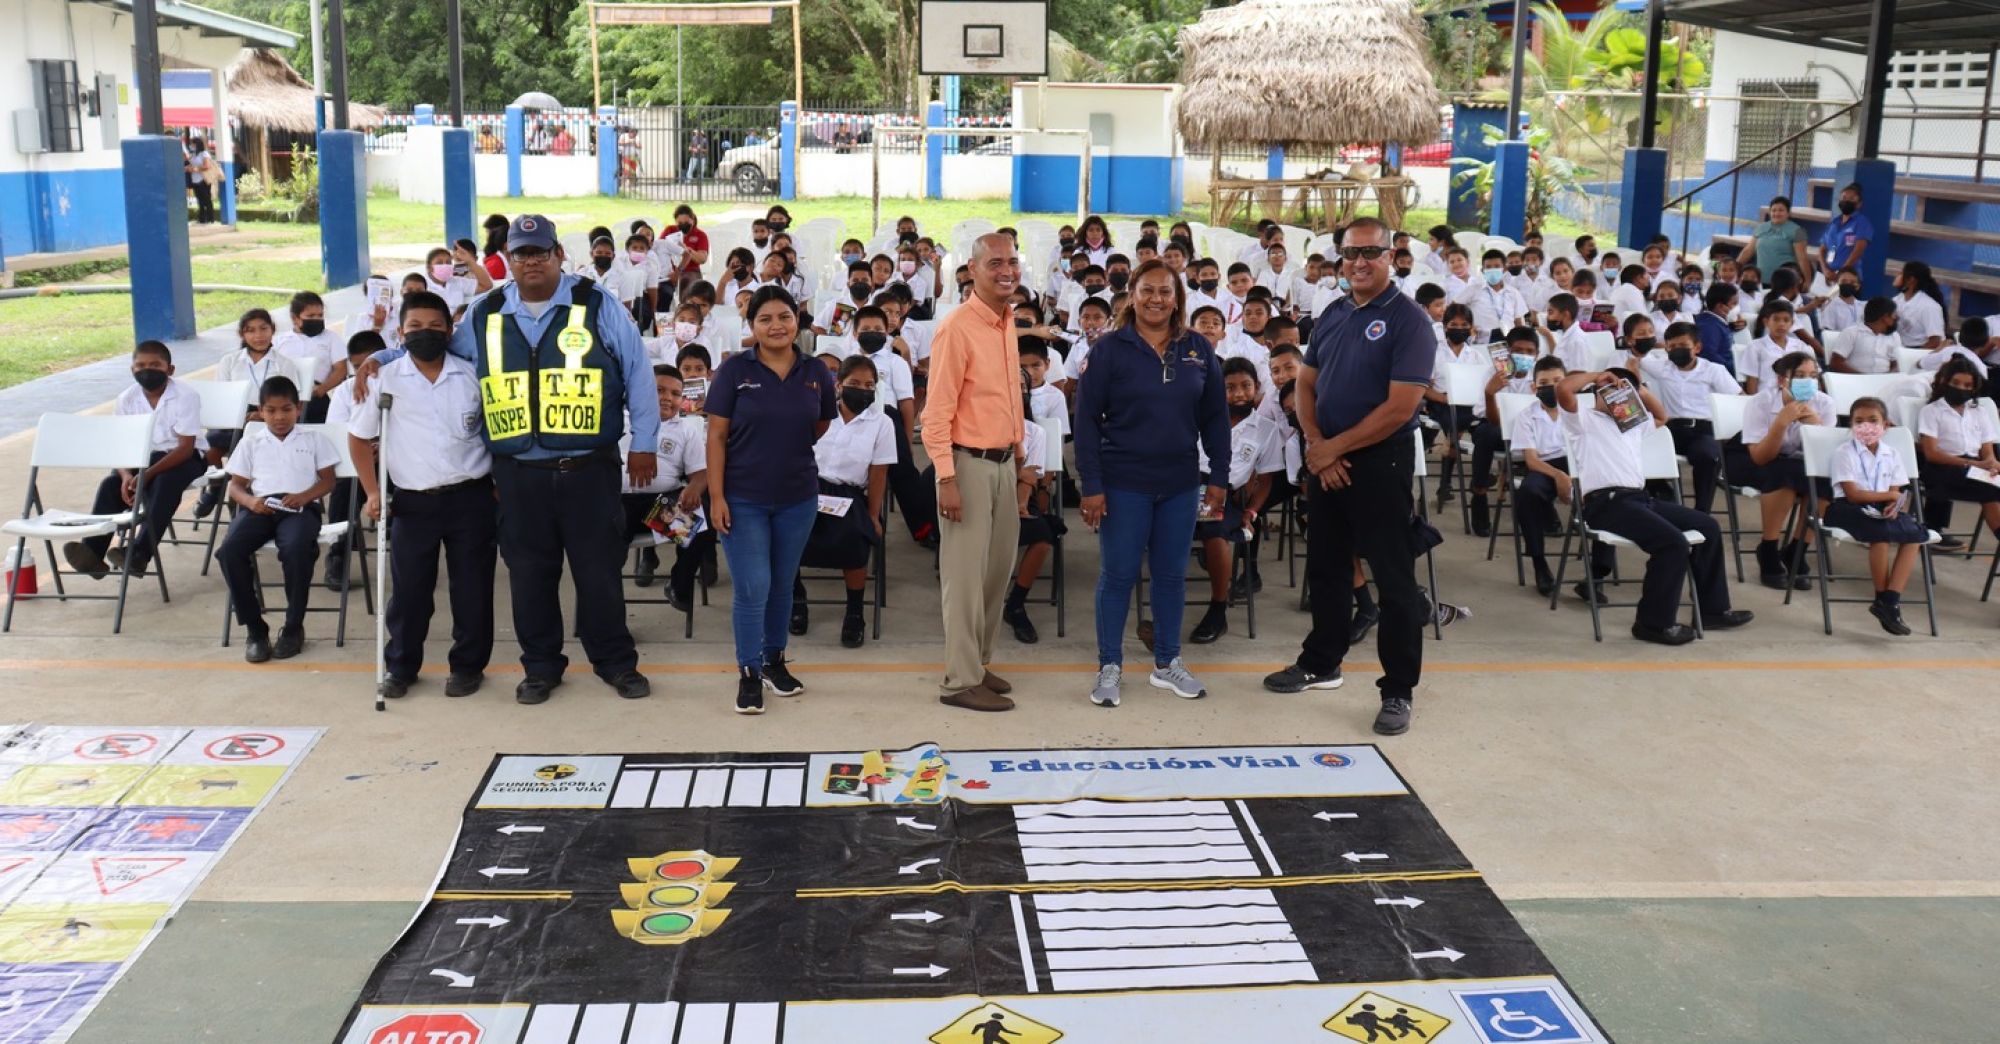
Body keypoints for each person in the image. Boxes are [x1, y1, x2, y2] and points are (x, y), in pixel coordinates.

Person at [354, 214, 656, 705]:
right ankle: (540, 668)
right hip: (519, 474)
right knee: (530, 576)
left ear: (559, 254)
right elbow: (439, 351)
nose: (531, 261)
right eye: (521, 253)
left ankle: (616, 663)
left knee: (598, 572)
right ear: (509, 259)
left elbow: (638, 373)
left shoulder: (596, 304)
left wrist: (644, 442)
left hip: (589, 468)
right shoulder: (485, 312)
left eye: (540, 252)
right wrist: (385, 358)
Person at [1264, 217, 1429, 736]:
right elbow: (1307, 385)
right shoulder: (1334, 312)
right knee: (1328, 566)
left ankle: (1398, 689)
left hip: (1381, 463)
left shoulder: (1410, 321)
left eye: (1371, 253)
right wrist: (1318, 447)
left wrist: (1333, 447)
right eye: (1351, 254)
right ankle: (1321, 661)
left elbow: (1400, 408)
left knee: (1393, 580)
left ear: (1391, 257)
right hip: (1327, 460)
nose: (1359, 262)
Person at [1074, 258, 1229, 707]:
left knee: (1170, 576)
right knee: (1118, 575)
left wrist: (1218, 476)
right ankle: (1109, 667)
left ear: (1177, 297)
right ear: (1132, 296)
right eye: (1147, 291)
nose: (1156, 299)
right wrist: (1092, 484)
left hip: (1180, 483)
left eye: (1165, 291)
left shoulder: (1198, 349)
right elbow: (1086, 422)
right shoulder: (1108, 350)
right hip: (1123, 483)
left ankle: (1167, 663)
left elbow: (1216, 418)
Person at [346, 291, 496, 700]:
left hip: (472, 497)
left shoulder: (471, 376)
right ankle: (401, 666)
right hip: (413, 502)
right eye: (415, 328)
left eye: (434, 327)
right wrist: (373, 490)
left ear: (449, 332)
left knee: (473, 589)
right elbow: (359, 440)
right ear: (400, 333)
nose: (424, 334)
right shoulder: (384, 380)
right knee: (410, 592)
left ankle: (467, 667)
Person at [706, 285, 834, 713]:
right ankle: (748, 672)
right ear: (751, 326)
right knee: (752, 586)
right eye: (765, 319)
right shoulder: (732, 372)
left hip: (798, 497)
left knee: (782, 584)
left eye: (784, 317)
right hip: (743, 499)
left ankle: (774, 662)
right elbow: (717, 436)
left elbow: (820, 425)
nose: (776, 326)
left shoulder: (816, 371)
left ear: (797, 320)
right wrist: (718, 497)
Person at [1556, 367, 1753, 644]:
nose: (1614, 395)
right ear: (1595, 394)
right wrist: (1599, 376)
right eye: (1608, 391)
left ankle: (1713, 609)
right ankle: (1653, 624)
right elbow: (1562, 390)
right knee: (1673, 544)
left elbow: (1662, 416)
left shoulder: (1632, 422)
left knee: (1707, 526)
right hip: (1606, 503)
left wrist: (1640, 390)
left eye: (1623, 392)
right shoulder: (1583, 420)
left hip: (1639, 498)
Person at [923, 233, 1032, 714]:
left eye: (1012, 261)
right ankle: (958, 680)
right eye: (995, 263)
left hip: (1004, 461)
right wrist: (946, 478)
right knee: (964, 578)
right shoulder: (957, 328)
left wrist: (1020, 445)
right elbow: (936, 413)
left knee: (994, 572)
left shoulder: (1006, 321)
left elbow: (1006, 393)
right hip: (966, 464)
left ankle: (978, 663)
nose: (1006, 270)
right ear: (972, 269)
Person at [214, 377, 338, 662]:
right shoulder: (251, 441)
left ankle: (293, 627)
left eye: (286, 409)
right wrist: (249, 502)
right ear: (261, 410)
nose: (279, 417)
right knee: (229, 552)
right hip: (259, 506)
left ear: (298, 408)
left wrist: (305, 496)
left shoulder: (313, 439)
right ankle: (256, 629)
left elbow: (328, 481)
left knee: (296, 550)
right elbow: (235, 485)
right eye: (271, 410)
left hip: (299, 508)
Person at [62, 341, 204, 582]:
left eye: (155, 365)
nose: (147, 370)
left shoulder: (185, 395)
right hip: (142, 461)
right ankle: (93, 553)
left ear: (170, 369)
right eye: (140, 365)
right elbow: (120, 446)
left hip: (184, 459)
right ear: (132, 369)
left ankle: (139, 553)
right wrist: (127, 475)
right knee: (111, 484)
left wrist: (145, 476)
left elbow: (185, 448)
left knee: (164, 482)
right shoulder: (127, 399)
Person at [790, 355, 896, 648]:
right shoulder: (818, 413)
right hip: (808, 486)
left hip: (850, 494)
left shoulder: (882, 423)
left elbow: (879, 474)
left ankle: (854, 611)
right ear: (838, 384)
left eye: (869, 385)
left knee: (855, 536)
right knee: (787, 529)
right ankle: (796, 598)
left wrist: (874, 516)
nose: (862, 389)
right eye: (855, 383)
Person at [1190, 357, 1285, 641]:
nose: (1239, 393)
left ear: (1257, 388)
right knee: (1163, 528)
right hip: (1187, 487)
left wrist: (1252, 512)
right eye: (1229, 387)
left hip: (1225, 494)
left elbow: (1266, 480)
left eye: (1246, 386)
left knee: (1215, 530)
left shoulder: (1267, 430)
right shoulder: (1199, 418)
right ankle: (1162, 611)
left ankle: (1218, 610)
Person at [1829, 397, 1928, 634]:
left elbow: (1895, 490)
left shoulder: (1892, 454)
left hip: (1882, 505)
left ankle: (1890, 600)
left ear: (1886, 425)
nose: (1866, 426)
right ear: (1851, 425)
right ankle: (1883, 598)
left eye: (1873, 420)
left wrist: (1892, 503)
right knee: (1880, 534)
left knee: (1915, 535)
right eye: (1859, 421)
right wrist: (1890, 497)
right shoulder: (1844, 452)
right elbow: (1852, 495)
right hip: (1848, 508)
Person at [1743, 350, 1836, 588]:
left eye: (1813, 375)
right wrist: (1782, 422)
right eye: (1801, 375)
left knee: (1825, 483)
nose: (1809, 381)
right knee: (1783, 477)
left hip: (1801, 463)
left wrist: (1814, 425)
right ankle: (1769, 548)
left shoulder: (1824, 403)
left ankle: (1797, 549)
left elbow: (1825, 456)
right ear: (1782, 380)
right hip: (1760, 461)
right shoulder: (1761, 402)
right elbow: (1760, 457)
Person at [621, 366, 709, 605]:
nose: (667, 398)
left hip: (658, 505)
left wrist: (693, 488)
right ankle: (608, 609)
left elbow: (701, 472)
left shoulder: (685, 430)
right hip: (616, 504)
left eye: (675, 393)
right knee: (603, 551)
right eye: (659, 390)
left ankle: (679, 586)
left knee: (700, 523)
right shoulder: (620, 419)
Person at [1637, 320, 1739, 514]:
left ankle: (1701, 514)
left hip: (1703, 430)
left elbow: (1738, 400)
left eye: (1683, 346)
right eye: (1672, 346)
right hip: (1671, 428)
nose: (1677, 350)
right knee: (1638, 448)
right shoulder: (1663, 367)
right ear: (1666, 348)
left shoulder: (1714, 370)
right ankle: (1663, 493)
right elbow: (1635, 359)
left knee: (1707, 457)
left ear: (1697, 347)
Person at [1916, 356, 2000, 549]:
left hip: (1973, 468)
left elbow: (1987, 450)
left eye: (1967, 385)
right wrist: (1975, 464)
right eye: (1956, 383)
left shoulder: (1979, 412)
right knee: (1991, 490)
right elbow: (1931, 453)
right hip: (1942, 467)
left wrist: (1992, 463)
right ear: (1945, 381)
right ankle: (1933, 530)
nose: (1961, 388)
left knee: (1991, 483)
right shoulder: (1932, 411)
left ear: (1974, 388)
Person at [275, 291, 341, 424]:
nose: (316, 319)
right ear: (295, 318)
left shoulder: (331, 338)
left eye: (320, 315)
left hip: (316, 396)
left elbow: (341, 369)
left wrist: (321, 390)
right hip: (283, 396)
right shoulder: (279, 341)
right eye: (310, 316)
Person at [1740, 195, 1812, 282]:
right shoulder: (1761, 228)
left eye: (1781, 210)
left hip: (1785, 282)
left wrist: (1807, 281)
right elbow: (1747, 251)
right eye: (1773, 210)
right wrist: (1735, 268)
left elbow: (1802, 258)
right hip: (1760, 281)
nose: (1777, 213)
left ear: (1788, 213)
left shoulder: (1799, 231)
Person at [1829, 297, 1900, 375]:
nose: (1896, 318)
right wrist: (1863, 378)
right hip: (1855, 381)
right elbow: (1836, 363)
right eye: (1894, 314)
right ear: (1885, 317)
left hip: (1885, 382)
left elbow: (1895, 363)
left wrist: (1890, 376)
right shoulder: (1852, 333)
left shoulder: (1894, 336)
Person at [1819, 183, 1874, 283]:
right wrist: (1825, 270)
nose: (1847, 201)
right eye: (1844, 198)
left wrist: (1841, 272)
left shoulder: (1861, 222)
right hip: (1828, 276)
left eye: (1852, 199)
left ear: (1859, 204)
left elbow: (1858, 250)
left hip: (1849, 278)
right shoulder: (1834, 223)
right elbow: (1822, 249)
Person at [1894, 261, 1948, 351]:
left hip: (1918, 351)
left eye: (1901, 273)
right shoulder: (1897, 300)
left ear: (1911, 279)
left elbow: (1935, 341)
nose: (1896, 276)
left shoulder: (1929, 306)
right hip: (1899, 349)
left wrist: (1911, 355)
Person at [185, 137, 217, 224]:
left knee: (207, 199)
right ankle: (202, 219)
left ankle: (211, 218)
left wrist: (196, 169)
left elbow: (207, 166)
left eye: (192, 144)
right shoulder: (194, 155)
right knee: (200, 200)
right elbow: (191, 164)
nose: (191, 146)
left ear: (197, 145)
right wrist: (188, 168)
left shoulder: (204, 154)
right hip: (195, 180)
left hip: (203, 180)